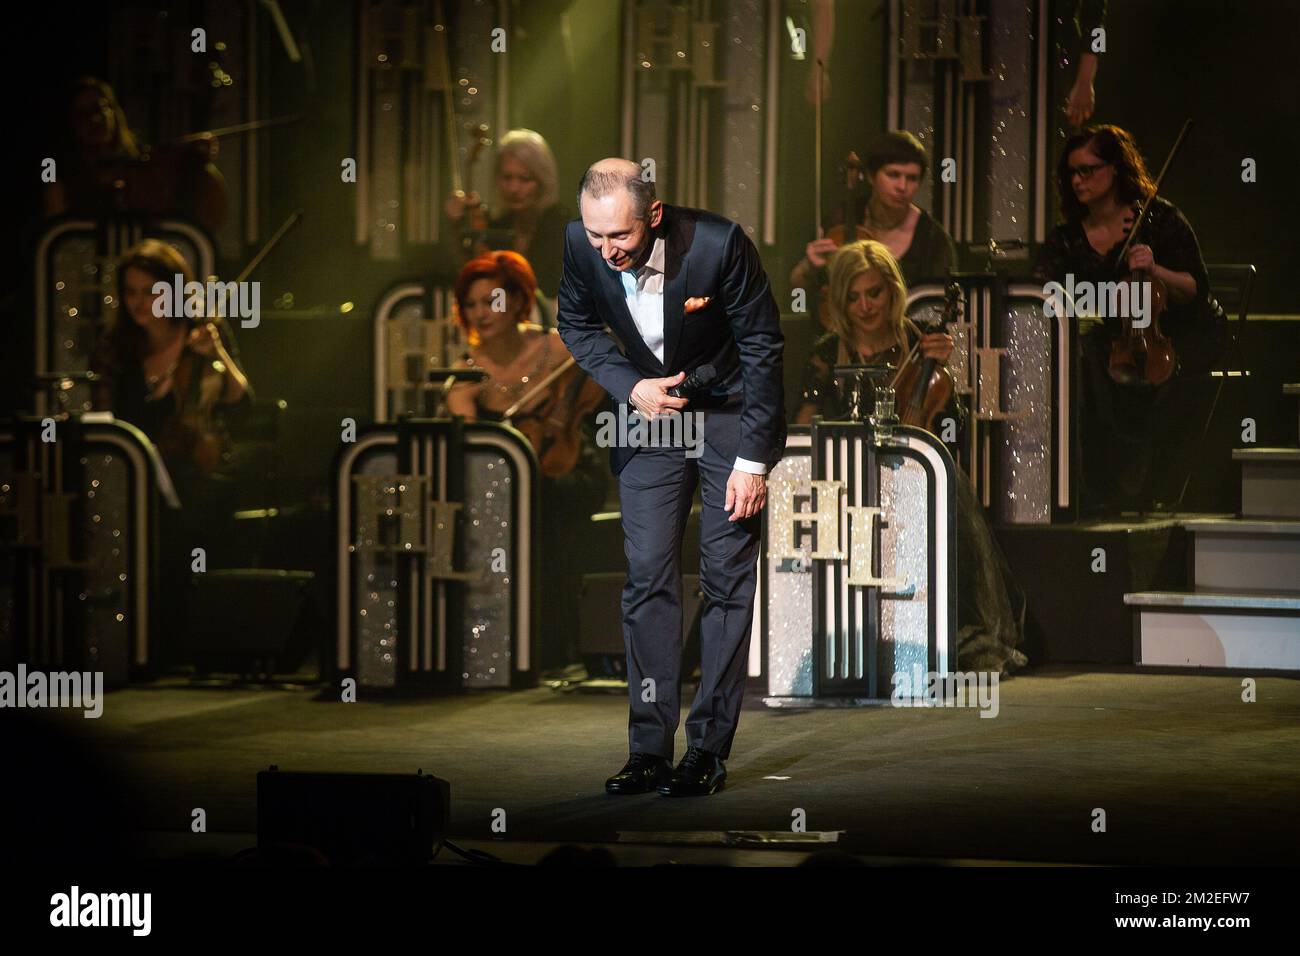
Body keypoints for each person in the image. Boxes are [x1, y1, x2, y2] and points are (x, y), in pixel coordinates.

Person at [557, 158, 786, 798]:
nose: (606, 251)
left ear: (653, 216)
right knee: (648, 576)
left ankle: (707, 749)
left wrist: (753, 461)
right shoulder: (580, 243)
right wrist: (630, 388)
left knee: (724, 576)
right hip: (648, 415)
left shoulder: (717, 245)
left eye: (620, 238)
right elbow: (574, 323)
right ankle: (649, 750)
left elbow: (764, 346)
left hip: (728, 414)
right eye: (596, 236)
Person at [796, 240, 1028, 676]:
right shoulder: (829, 351)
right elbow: (807, 423)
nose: (865, 306)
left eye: (874, 293)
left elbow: (951, 427)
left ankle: (936, 629)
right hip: (849, 474)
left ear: (891, 291)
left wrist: (940, 369)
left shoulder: (919, 341)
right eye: (854, 296)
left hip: (910, 473)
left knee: (951, 484)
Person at [1033, 124, 1224, 514]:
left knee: (1112, 372)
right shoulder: (1067, 237)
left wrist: (1156, 271)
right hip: (1111, 336)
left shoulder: (1159, 219)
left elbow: (1194, 288)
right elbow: (1046, 293)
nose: (1077, 180)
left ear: (1116, 170)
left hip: (1178, 332)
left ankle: (1129, 484)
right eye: (1072, 172)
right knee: (1085, 362)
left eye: (1088, 170)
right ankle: (1093, 486)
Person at [89, 238, 253, 667]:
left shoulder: (202, 334)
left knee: (188, 518)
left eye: (151, 291)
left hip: (197, 468)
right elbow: (106, 415)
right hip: (137, 471)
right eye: (132, 292)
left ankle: (180, 644)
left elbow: (242, 404)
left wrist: (216, 353)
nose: (140, 302)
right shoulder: (116, 348)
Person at [444, 250, 608, 671]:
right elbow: (470, 446)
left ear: (518, 300)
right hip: (507, 484)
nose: (482, 312)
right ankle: (517, 643)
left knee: (543, 500)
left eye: (492, 300)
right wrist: (464, 409)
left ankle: (552, 643)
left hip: (569, 465)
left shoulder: (558, 346)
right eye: (472, 303)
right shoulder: (466, 372)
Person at [790, 130, 956, 318]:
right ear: (871, 176)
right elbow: (796, 290)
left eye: (912, 178)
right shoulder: (841, 219)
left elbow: (944, 305)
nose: (902, 186)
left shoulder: (932, 238)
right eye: (893, 175)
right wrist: (808, 267)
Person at [443, 129, 569, 321]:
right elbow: (479, 287)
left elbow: (549, 291)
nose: (513, 188)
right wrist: (457, 224)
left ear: (543, 181)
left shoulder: (561, 227)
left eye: (524, 179)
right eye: (507, 178)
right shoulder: (498, 226)